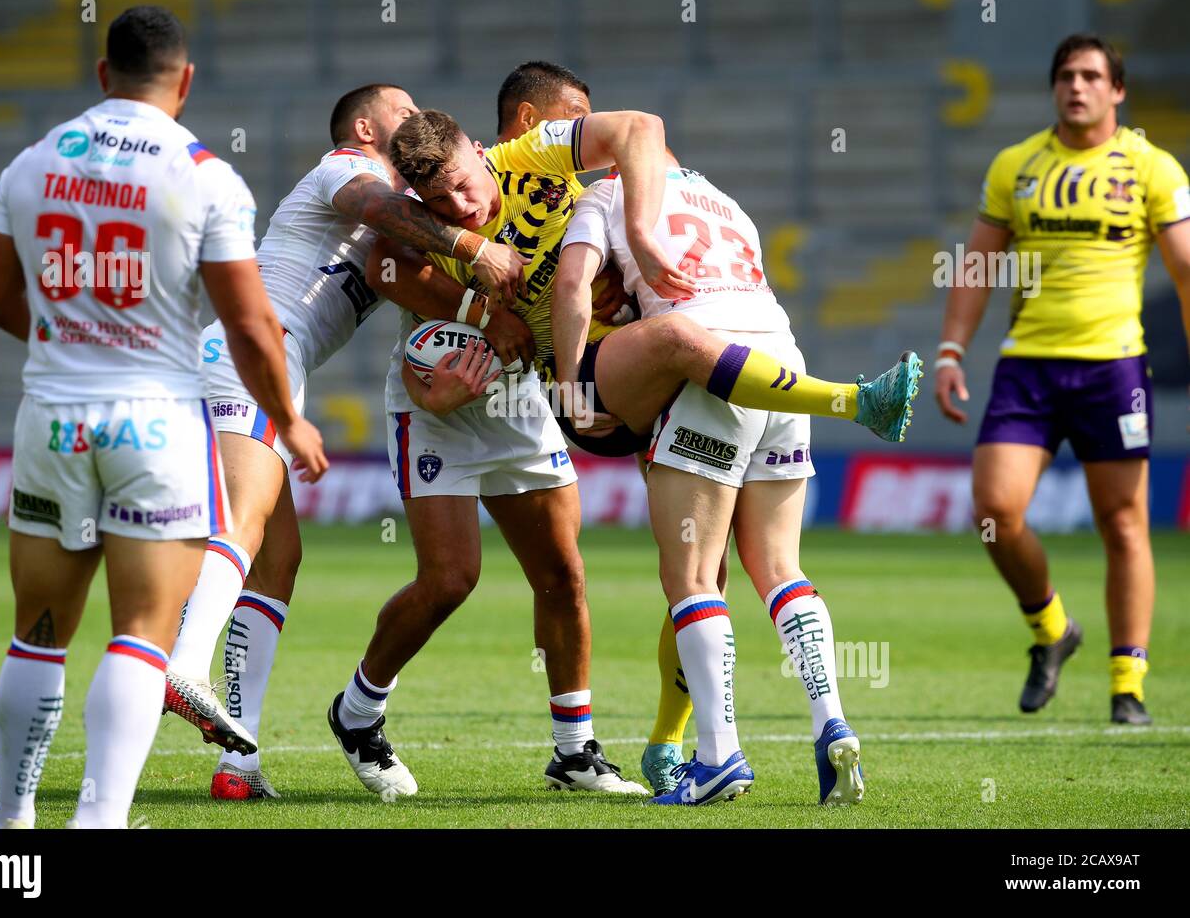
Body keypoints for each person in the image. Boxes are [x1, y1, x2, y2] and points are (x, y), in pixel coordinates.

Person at [0, 5, 325, 828]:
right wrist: (289, 419)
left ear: (103, 75)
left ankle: (11, 823)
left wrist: (72, 338)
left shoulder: (32, 162)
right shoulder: (205, 174)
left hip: (54, 412)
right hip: (158, 422)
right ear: (185, 80)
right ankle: (100, 820)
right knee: (140, 632)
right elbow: (248, 323)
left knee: (40, 631)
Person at [159, 83, 528, 800]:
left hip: (260, 359)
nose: (416, 118)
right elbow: (372, 208)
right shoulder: (342, 171)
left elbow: (395, 262)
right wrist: (470, 246)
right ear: (365, 128)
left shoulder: (401, 221)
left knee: (276, 564)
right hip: (254, 352)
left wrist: (473, 303)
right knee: (245, 520)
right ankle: (182, 664)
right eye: (401, 110)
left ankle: (238, 767)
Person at [327, 105, 695, 800]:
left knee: (563, 575)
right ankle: (358, 711)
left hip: (518, 394)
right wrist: (477, 315)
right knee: (450, 580)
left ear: (477, 148)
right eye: (439, 201)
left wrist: (637, 239)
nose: (461, 206)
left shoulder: (532, 155)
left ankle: (574, 753)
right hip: (439, 402)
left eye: (465, 185)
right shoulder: (423, 228)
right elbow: (381, 268)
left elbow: (643, 126)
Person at [556, 161, 880, 805]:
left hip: (712, 371)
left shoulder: (605, 192)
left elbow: (570, 286)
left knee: (694, 577)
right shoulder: (724, 200)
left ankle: (718, 754)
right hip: (783, 366)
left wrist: (572, 385)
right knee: (780, 567)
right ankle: (831, 719)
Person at [934, 34, 1190, 725]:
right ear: (1054, 88)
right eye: (1066, 76)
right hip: (1029, 368)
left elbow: (1187, 267)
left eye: (1090, 76)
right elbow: (979, 265)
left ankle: (1127, 683)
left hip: (1114, 368)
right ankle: (1053, 630)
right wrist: (951, 350)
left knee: (1125, 524)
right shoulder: (1016, 166)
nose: (1076, 86)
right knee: (994, 511)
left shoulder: (1151, 167)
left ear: (1117, 90)